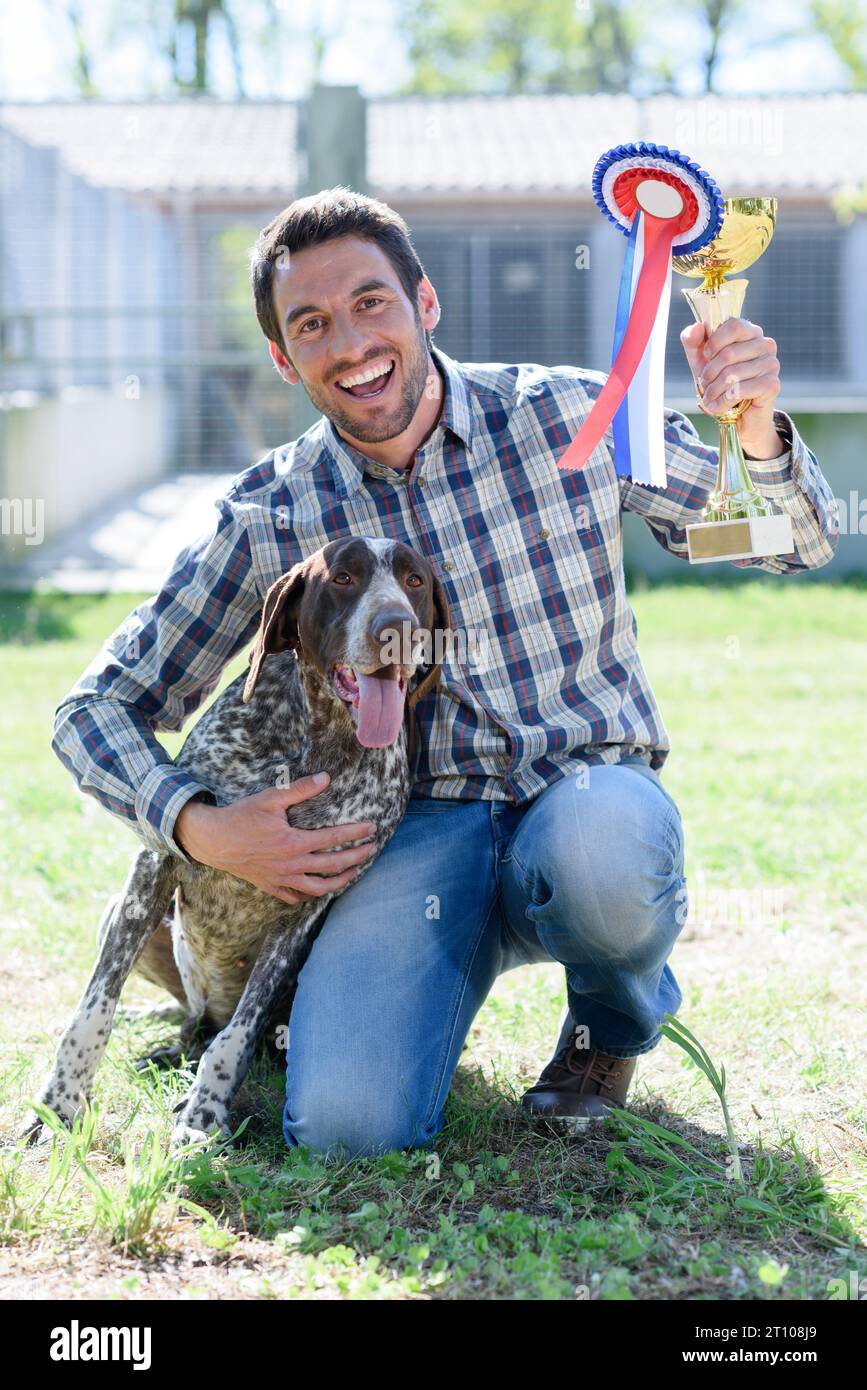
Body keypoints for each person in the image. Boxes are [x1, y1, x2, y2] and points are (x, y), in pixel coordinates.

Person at [52, 187, 839, 1159]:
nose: (349, 341)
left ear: (424, 302)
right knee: (345, 1126)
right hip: (416, 840)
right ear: (282, 357)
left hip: (585, 801)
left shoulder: (572, 414)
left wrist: (754, 432)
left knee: (604, 853)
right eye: (312, 323)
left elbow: (790, 539)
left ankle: (607, 1026)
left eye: (371, 302)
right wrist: (195, 822)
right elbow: (93, 708)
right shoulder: (270, 516)